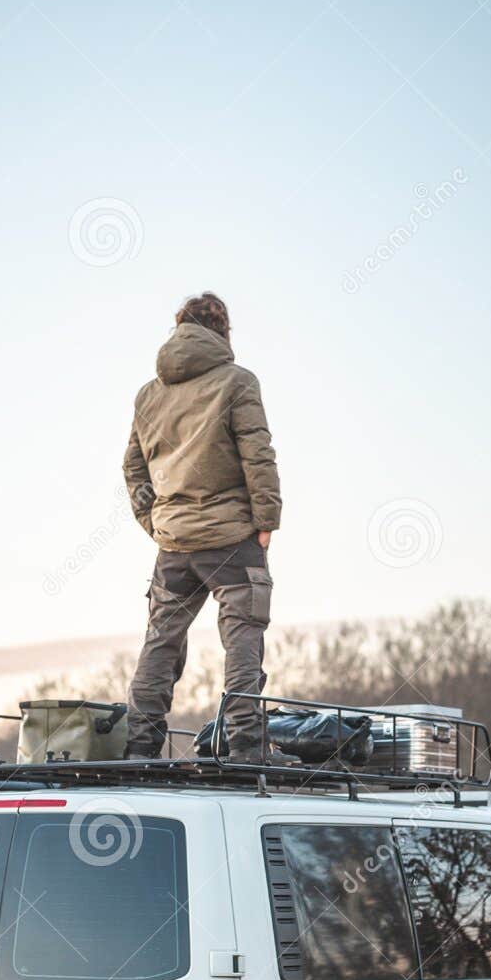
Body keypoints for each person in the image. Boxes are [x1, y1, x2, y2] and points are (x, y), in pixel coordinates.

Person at [122, 292, 281, 761]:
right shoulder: (238, 382)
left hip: (173, 544)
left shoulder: (149, 395)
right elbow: (258, 453)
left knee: (160, 644)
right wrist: (266, 519)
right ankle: (247, 747)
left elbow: (133, 468)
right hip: (233, 537)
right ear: (223, 332)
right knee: (243, 640)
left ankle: (139, 747)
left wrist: (155, 521)